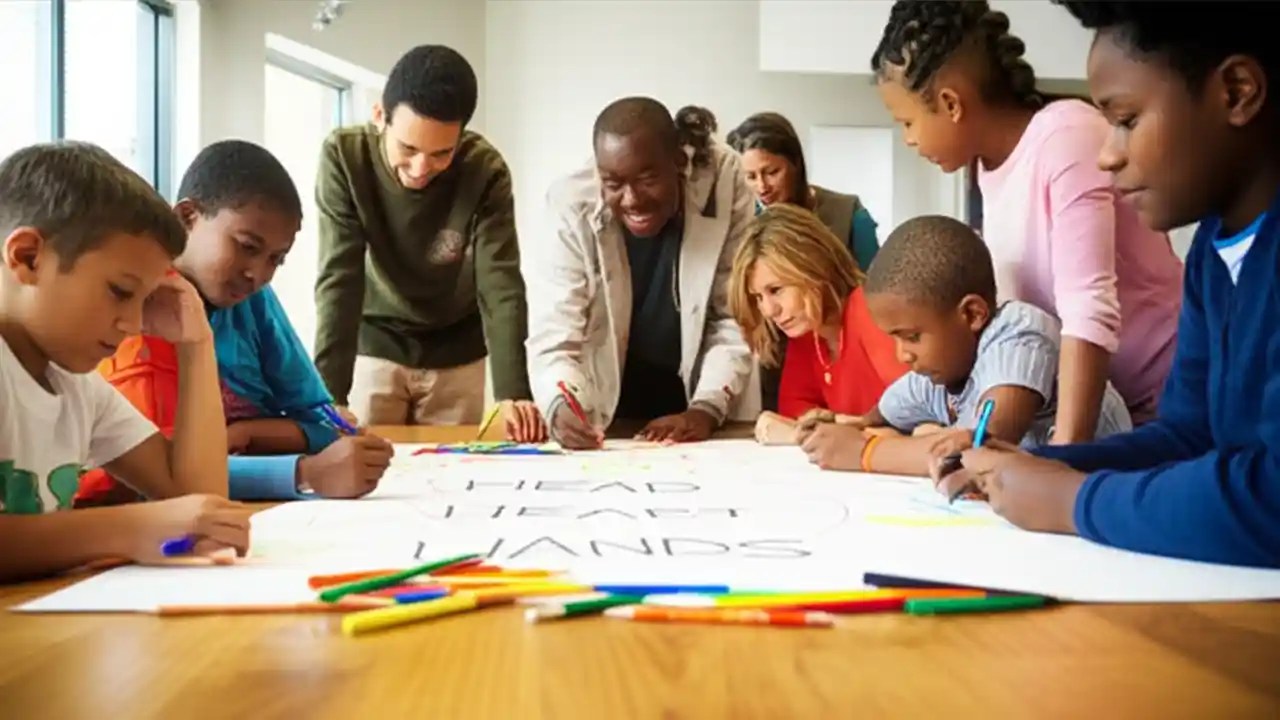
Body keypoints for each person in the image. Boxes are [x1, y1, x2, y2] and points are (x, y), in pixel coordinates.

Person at [937, 1, 1280, 569]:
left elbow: (1270, 496)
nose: (1108, 155)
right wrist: (1053, 468)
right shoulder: (1211, 256)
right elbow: (1190, 438)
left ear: (1238, 91)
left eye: (1125, 121)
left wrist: (1070, 501)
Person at [870, 0, 1183, 436]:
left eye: (907, 121)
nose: (908, 139)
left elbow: (1087, 307)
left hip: (1163, 410)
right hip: (1098, 419)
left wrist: (1066, 456)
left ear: (950, 103)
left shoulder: (1065, 134)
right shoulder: (987, 172)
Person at [76, 141, 395, 506]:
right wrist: (303, 472)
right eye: (246, 246)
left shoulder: (250, 300)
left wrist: (249, 432)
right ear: (186, 219)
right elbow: (162, 475)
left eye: (277, 259)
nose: (257, 273)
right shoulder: (144, 314)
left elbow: (330, 423)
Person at [0, 141, 251, 581]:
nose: (134, 324)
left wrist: (195, 346)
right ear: (28, 258)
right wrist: (123, 529)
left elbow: (198, 505)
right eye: (120, 291)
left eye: (146, 300)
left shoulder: (77, 385)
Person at [314, 44, 544, 441]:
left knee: (449, 478)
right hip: (375, 342)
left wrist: (513, 392)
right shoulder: (344, 157)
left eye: (442, 153)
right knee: (364, 472)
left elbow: (500, 283)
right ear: (379, 117)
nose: (421, 169)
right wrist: (327, 395)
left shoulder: (485, 169)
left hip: (457, 353)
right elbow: (340, 276)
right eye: (408, 148)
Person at [801, 215, 1131, 475]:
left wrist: (864, 452)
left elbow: (987, 443)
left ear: (972, 314)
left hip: (1110, 481)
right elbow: (882, 415)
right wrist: (847, 425)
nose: (902, 355)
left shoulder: (1019, 332)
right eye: (895, 338)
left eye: (912, 337)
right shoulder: (938, 374)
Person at [525, 96, 756, 449]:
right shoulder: (570, 202)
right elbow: (555, 334)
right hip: (606, 405)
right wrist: (560, 404)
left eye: (648, 179)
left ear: (679, 161)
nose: (631, 199)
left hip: (697, 408)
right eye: (614, 184)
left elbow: (731, 313)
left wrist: (706, 408)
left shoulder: (723, 179)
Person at [727, 112, 885, 412]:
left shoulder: (848, 214)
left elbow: (875, 299)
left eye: (771, 171)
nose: (762, 187)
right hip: (790, 364)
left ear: (796, 164)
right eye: (750, 177)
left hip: (851, 360)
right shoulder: (748, 227)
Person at [727, 204, 906, 446]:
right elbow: (795, 417)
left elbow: (921, 420)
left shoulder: (866, 309)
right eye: (758, 297)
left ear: (814, 267)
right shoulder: (807, 333)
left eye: (776, 290)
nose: (769, 311)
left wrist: (830, 426)